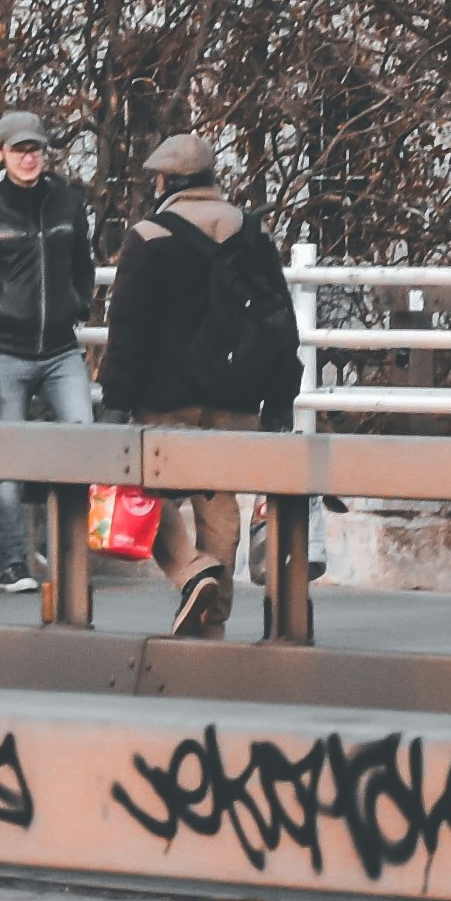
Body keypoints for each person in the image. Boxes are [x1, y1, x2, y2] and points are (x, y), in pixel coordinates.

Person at [99, 133, 303, 637]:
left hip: (165, 400)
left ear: (166, 181)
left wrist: (115, 403)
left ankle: (193, 573)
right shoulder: (251, 234)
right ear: (212, 180)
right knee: (219, 510)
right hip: (236, 400)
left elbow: (127, 329)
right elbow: (280, 322)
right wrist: (279, 401)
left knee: (145, 496)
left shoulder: (148, 237)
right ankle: (211, 624)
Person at [0, 112, 100, 597]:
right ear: (1, 154)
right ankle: (14, 562)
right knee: (9, 458)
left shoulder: (68, 204)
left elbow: (84, 263)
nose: (29, 157)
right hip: (4, 353)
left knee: (82, 444)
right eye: (18, 150)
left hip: (60, 349)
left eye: (35, 148)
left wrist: (80, 302)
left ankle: (68, 551)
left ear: (46, 152)